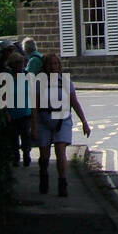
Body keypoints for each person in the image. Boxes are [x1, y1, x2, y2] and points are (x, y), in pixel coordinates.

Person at [30, 53, 90, 197]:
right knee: (44, 156)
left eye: (56, 64)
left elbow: (74, 102)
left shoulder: (65, 81)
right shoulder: (39, 82)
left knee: (60, 151)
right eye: (50, 64)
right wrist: (33, 127)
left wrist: (84, 122)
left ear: (59, 66)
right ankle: (43, 174)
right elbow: (34, 106)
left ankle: (62, 182)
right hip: (44, 119)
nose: (53, 66)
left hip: (62, 119)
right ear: (45, 66)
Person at [5, 48, 33, 166]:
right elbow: (3, 97)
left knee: (26, 136)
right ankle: (16, 158)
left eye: (21, 63)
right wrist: (5, 112)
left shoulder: (27, 76)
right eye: (17, 63)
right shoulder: (7, 78)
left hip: (25, 112)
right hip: (12, 113)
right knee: (14, 138)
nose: (20, 65)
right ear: (11, 65)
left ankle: (26, 155)